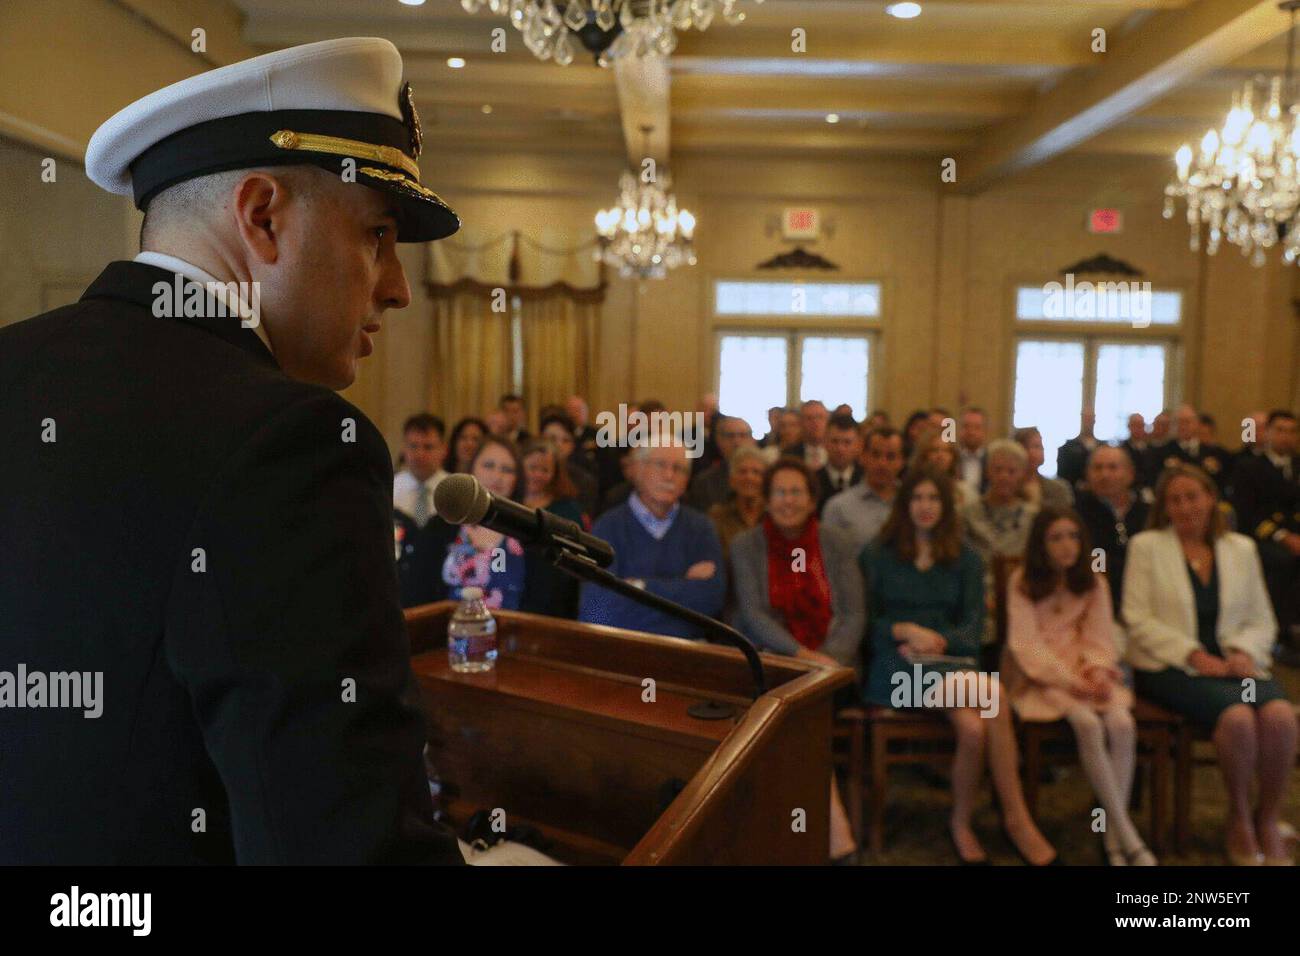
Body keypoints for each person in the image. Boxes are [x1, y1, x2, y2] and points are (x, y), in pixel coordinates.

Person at [0, 37, 466, 864]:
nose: (394, 285)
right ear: (261, 217)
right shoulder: (293, 443)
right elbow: (343, 846)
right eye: (378, 233)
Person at [861, 469, 1058, 865]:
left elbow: (973, 630)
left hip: (952, 666)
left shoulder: (965, 558)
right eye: (917, 497)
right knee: (993, 694)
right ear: (905, 504)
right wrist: (902, 628)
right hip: (896, 672)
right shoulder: (877, 554)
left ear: (947, 507)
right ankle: (1017, 818)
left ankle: (961, 822)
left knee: (972, 729)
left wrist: (941, 640)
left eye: (934, 498)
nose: (925, 506)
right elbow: (863, 624)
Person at [1123, 464, 1297, 865]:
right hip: (1169, 666)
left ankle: (1267, 818)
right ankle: (1237, 816)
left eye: (1193, 497)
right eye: (1175, 499)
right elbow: (1136, 618)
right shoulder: (1146, 546)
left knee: (1281, 716)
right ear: (1165, 507)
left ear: (1211, 500)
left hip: (1235, 665)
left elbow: (1261, 618)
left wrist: (1244, 653)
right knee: (1237, 719)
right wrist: (1193, 654)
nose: (1185, 506)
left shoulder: (1241, 548)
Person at [730, 457, 865, 863]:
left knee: (796, 714)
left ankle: (794, 835)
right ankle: (836, 836)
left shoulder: (836, 542)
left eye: (797, 492)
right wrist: (804, 657)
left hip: (835, 671)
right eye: (780, 492)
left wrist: (829, 662)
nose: (788, 500)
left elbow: (854, 613)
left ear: (812, 499)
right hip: (779, 664)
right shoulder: (746, 545)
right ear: (767, 499)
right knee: (796, 712)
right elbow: (753, 614)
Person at [1005, 508, 1155, 866]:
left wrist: (1100, 671)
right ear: (1041, 543)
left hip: (1086, 673)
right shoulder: (1023, 580)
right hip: (1040, 677)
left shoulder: (1094, 581)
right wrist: (1071, 681)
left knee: (1122, 724)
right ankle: (1125, 837)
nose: (1066, 546)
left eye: (1073, 536)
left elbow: (1099, 637)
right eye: (1056, 538)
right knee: (1087, 724)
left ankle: (1111, 836)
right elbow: (1026, 645)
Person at [579, 444, 726, 639]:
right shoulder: (607, 526)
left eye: (679, 468)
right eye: (660, 465)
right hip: (623, 650)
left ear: (687, 480)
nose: (669, 475)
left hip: (687, 652)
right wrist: (683, 586)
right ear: (638, 470)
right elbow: (597, 609)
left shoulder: (701, 528)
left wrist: (639, 586)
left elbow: (711, 600)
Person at [1230, 409, 1300, 662]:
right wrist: (1284, 536)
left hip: (1295, 537)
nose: (1286, 437)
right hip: (1262, 538)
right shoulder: (1249, 468)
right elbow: (1248, 514)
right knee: (1284, 562)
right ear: (1268, 433)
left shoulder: (1298, 466)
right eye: (1280, 430)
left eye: (1292, 432)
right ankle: (1279, 633)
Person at [442, 436, 527, 610]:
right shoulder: (441, 525)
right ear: (472, 470)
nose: (497, 476)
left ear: (517, 479)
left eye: (507, 469)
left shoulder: (528, 531)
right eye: (488, 465)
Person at [1074, 445, 1149, 617]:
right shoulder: (1076, 515)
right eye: (1098, 468)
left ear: (1130, 474)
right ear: (1087, 474)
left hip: (1145, 599)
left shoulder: (1148, 513)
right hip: (1096, 602)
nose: (1105, 475)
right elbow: (1094, 559)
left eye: (1112, 467)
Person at [518, 439, 584, 619]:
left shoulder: (567, 508)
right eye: (532, 468)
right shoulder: (508, 501)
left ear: (555, 474)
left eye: (545, 470)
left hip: (554, 595)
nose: (537, 475)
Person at [823, 425, 903, 555]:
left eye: (890, 456)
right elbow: (830, 561)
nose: (882, 463)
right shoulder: (838, 507)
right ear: (863, 457)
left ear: (901, 461)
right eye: (875, 455)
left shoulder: (912, 502)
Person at [962, 438, 1038, 568]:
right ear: (987, 472)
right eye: (998, 470)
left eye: (1011, 471)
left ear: (1022, 475)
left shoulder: (1033, 516)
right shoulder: (967, 513)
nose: (1004, 477)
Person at [1155, 403, 1231, 492]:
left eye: (1187, 422)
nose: (1183, 426)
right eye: (1179, 422)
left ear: (1196, 423)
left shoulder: (1212, 452)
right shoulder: (1162, 452)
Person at [687, 415, 754, 511]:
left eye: (743, 435)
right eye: (730, 436)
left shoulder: (766, 476)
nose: (737, 442)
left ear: (752, 440)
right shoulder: (705, 482)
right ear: (719, 441)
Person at [394, 413, 450, 525]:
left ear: (444, 449)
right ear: (403, 448)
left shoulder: (455, 490)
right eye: (413, 446)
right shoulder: (390, 489)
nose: (419, 454)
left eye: (428, 447)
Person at [540, 412, 599, 517]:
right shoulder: (526, 474)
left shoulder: (584, 482)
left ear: (572, 446)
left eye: (566, 441)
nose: (558, 445)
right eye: (552, 439)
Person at [908, 424, 972, 510]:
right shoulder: (911, 489)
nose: (940, 456)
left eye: (946, 451)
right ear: (924, 455)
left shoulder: (965, 492)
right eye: (935, 450)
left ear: (953, 456)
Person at [1013, 426, 1073, 510]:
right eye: (1036, 446)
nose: (1041, 451)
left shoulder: (1058, 489)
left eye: (1041, 447)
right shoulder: (1009, 488)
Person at [815, 412, 864, 513]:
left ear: (858, 445)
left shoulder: (866, 479)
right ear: (825, 442)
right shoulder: (813, 480)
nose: (840, 449)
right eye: (835, 441)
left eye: (847, 442)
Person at [1056, 408, 1099, 491]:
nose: (1088, 422)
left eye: (1091, 419)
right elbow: (1062, 476)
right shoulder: (1067, 448)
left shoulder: (1102, 446)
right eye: (1086, 419)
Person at [786, 400, 831, 470]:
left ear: (828, 420)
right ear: (800, 423)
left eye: (820, 417)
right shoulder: (789, 456)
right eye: (809, 418)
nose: (815, 423)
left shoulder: (837, 451)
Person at [956, 406, 989, 496]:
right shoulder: (952, 459)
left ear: (985, 431)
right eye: (966, 426)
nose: (971, 432)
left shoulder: (992, 461)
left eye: (977, 427)